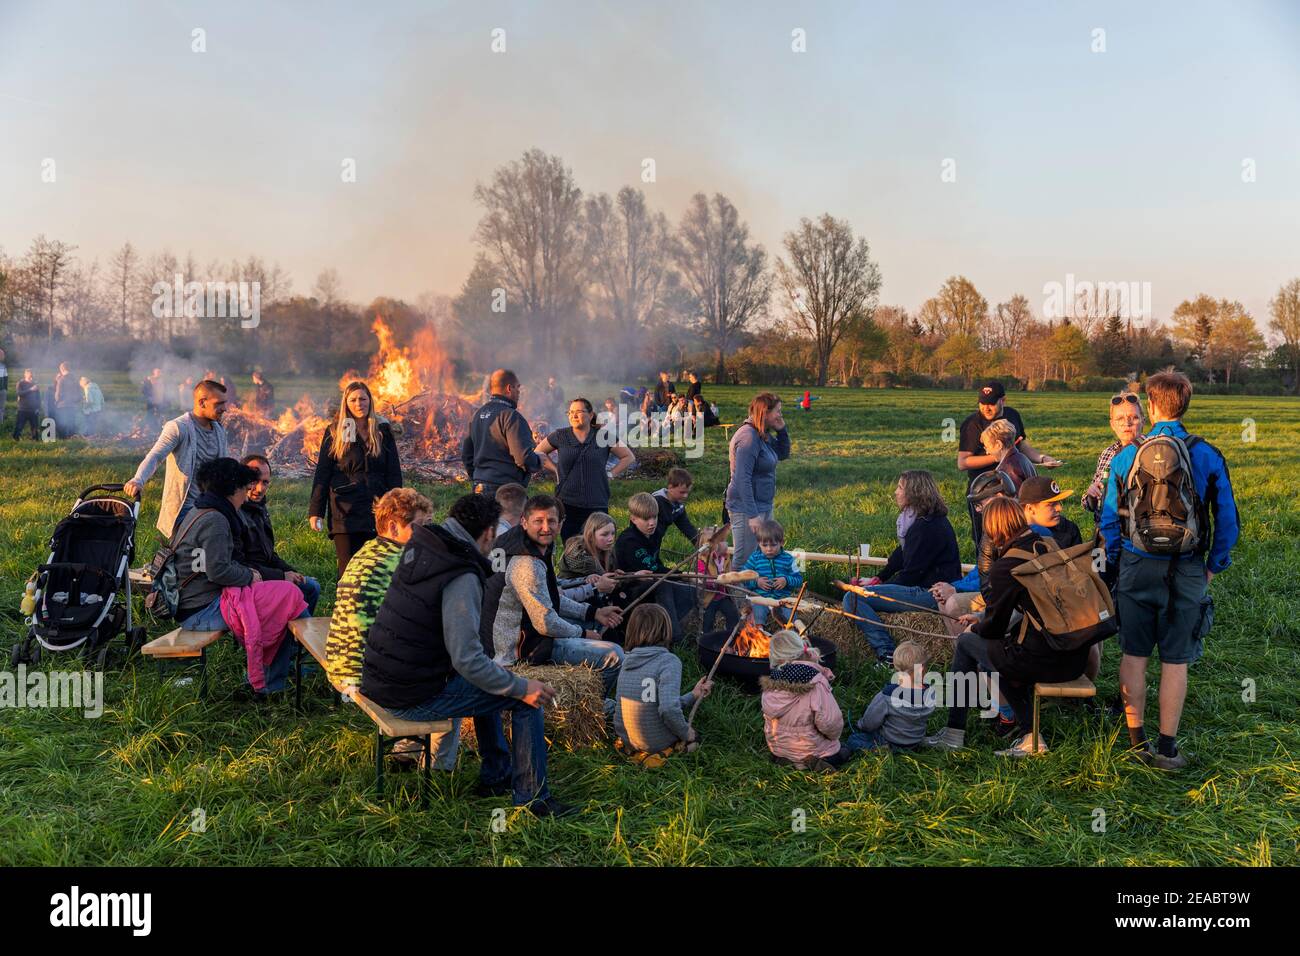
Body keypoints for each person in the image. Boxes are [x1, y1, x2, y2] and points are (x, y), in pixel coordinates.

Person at [360, 493, 576, 817]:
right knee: (524, 698)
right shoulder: (461, 574)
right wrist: (522, 686)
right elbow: (466, 659)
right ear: (488, 533)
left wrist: (498, 677)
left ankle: (497, 775)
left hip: (382, 677)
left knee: (491, 680)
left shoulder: (423, 546)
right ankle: (534, 800)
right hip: (410, 693)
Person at [1101, 371, 1239, 770]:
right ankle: (1167, 750)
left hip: (1136, 565)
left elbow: (1111, 518)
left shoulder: (1128, 455)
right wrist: (1213, 566)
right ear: (1186, 403)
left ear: (1152, 406)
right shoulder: (1208, 454)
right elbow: (1227, 520)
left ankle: (1134, 741)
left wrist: (1118, 559)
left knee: (1134, 654)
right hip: (1187, 568)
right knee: (1175, 661)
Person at [925, 498, 1092, 756]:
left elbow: (995, 629)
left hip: (1046, 661)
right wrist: (982, 619)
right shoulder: (1049, 546)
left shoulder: (1006, 566)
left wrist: (979, 627)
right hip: (1075, 655)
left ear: (993, 529)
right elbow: (1032, 608)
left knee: (969, 644)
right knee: (1001, 656)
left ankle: (953, 733)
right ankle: (1029, 735)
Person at [172, 458, 307, 696]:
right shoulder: (216, 520)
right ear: (231, 489)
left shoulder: (201, 511)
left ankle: (282, 672)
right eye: (244, 489)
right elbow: (218, 571)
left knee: (285, 599)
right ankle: (272, 683)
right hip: (200, 610)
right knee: (287, 601)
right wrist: (249, 575)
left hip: (198, 602)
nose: (246, 496)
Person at [483, 494, 624, 690]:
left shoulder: (527, 544)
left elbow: (548, 596)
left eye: (551, 521)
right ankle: (597, 711)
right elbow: (545, 623)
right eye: (538, 521)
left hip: (522, 633)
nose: (546, 528)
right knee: (614, 655)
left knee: (595, 620)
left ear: (560, 524)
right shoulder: (526, 562)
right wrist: (583, 633)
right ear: (524, 521)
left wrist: (592, 612)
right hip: (514, 650)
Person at [841, 470, 961, 664]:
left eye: (900, 487)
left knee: (853, 598)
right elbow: (902, 553)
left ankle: (886, 652)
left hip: (930, 592)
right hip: (926, 586)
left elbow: (910, 576)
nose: (896, 492)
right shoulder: (919, 521)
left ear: (914, 493)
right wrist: (878, 579)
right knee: (858, 594)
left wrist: (872, 591)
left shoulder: (926, 528)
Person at [325, 487, 432, 692]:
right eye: (418, 526)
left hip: (340, 666)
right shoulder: (403, 564)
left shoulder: (366, 551)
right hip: (365, 675)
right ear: (393, 527)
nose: (424, 534)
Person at [308, 380, 402, 576]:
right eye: (353, 400)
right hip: (345, 510)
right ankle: (345, 605)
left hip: (378, 507)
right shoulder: (338, 431)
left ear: (370, 401)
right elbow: (323, 473)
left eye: (363, 398)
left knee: (377, 568)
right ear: (346, 403)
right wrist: (316, 511)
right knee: (349, 569)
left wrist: (396, 505)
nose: (359, 403)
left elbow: (394, 472)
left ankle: (373, 606)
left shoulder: (382, 430)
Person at [958, 380, 1061, 543]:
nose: (986, 408)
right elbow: (962, 462)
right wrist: (999, 455)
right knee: (986, 538)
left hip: (1009, 500)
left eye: (991, 403)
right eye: (982, 404)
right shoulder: (971, 424)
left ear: (1003, 400)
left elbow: (1022, 445)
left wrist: (1042, 457)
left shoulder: (1012, 416)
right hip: (983, 490)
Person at [609, 604, 713, 766]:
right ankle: (669, 752)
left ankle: (638, 754)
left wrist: (693, 695)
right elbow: (668, 709)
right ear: (666, 630)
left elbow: (631, 707)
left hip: (630, 741)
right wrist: (686, 733)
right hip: (657, 743)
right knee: (695, 739)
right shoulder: (668, 661)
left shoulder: (627, 662)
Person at [125, 379, 230, 537]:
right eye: (219, 404)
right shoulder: (178, 427)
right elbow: (156, 455)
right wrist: (138, 480)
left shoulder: (219, 430)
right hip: (185, 510)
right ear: (202, 402)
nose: (224, 409)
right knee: (191, 556)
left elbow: (223, 468)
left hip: (213, 507)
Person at [760, 630, 866, 771]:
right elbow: (831, 723)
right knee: (846, 748)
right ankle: (814, 763)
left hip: (779, 749)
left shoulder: (770, 684)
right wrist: (834, 738)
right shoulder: (815, 682)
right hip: (813, 750)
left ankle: (788, 760)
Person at [535, 397, 635, 541]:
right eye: (570, 412)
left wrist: (611, 473)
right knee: (571, 545)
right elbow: (538, 452)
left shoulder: (603, 435)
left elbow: (628, 456)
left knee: (597, 544)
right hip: (567, 502)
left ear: (591, 415)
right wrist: (555, 469)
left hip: (596, 501)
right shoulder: (560, 435)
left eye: (579, 411)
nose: (573, 415)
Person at [239, 454, 322, 614]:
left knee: (312, 587)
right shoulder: (236, 513)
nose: (260, 489)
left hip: (267, 574)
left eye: (265, 482)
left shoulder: (260, 509)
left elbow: (269, 554)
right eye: (254, 481)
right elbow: (240, 564)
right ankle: (290, 634)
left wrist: (291, 572)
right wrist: (282, 575)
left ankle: (290, 637)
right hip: (251, 581)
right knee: (299, 608)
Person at [614, 492, 695, 646]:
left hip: (651, 581)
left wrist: (681, 578)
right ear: (633, 519)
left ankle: (664, 627)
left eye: (654, 517)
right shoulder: (629, 541)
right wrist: (682, 574)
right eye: (646, 519)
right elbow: (653, 569)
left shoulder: (654, 534)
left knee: (689, 591)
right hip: (630, 588)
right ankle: (674, 638)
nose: (651, 523)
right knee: (662, 584)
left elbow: (657, 561)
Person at [726, 392, 791, 569]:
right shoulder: (748, 437)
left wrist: (782, 430)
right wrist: (752, 515)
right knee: (744, 559)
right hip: (747, 508)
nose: (780, 414)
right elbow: (741, 478)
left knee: (760, 558)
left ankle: (753, 596)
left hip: (763, 505)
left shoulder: (763, 434)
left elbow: (783, 454)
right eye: (777, 411)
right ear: (765, 412)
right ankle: (735, 596)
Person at [462, 369, 541, 498]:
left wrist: (478, 476)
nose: (519, 392)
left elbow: (467, 455)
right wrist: (538, 461)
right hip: (506, 492)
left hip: (478, 489)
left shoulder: (477, 414)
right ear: (509, 388)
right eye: (517, 387)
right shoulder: (511, 417)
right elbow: (523, 458)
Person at [851, 642, 936, 751]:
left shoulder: (888, 695)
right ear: (923, 669)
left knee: (854, 740)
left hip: (891, 740)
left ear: (896, 668)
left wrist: (860, 725)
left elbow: (870, 723)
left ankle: (879, 749)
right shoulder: (931, 693)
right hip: (915, 742)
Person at [1082, 391, 1146, 519]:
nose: (1127, 423)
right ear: (1112, 424)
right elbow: (1087, 504)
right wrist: (1091, 495)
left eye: (1134, 417)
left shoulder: (1149, 450)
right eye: (1120, 418)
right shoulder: (1108, 453)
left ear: (1143, 422)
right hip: (1106, 525)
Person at [741, 519, 803, 628]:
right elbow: (743, 577)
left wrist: (786, 580)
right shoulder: (755, 558)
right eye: (764, 545)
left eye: (773, 545)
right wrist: (756, 582)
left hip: (782, 599)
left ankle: (791, 635)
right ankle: (760, 634)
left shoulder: (789, 559)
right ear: (759, 543)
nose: (769, 549)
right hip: (761, 599)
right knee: (757, 615)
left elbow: (798, 579)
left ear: (782, 542)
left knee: (791, 617)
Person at [1018, 475, 1082, 550]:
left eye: (1059, 502)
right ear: (1030, 508)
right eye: (1051, 505)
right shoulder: (1014, 537)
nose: (1059, 508)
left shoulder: (1069, 529)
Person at [698, 526, 740, 633]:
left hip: (722, 596)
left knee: (733, 614)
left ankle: (730, 635)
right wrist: (715, 582)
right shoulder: (702, 561)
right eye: (720, 542)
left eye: (723, 541)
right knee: (708, 620)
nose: (724, 544)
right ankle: (707, 639)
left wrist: (732, 579)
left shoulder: (725, 558)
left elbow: (729, 573)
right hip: (709, 598)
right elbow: (702, 580)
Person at [982, 419, 1036, 493]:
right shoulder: (1023, 458)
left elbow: (1013, 500)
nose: (987, 452)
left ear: (998, 444)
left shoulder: (1006, 469)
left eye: (987, 447)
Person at [652, 468, 700, 548]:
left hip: (656, 542)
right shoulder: (655, 502)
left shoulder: (678, 505)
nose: (685, 496)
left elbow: (686, 526)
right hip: (642, 541)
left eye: (687, 492)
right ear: (670, 487)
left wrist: (699, 543)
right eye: (682, 492)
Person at [12, 369, 41, 440]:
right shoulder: (20, 383)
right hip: (23, 409)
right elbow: (19, 393)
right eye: (29, 375)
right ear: (25, 375)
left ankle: (35, 440)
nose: (31, 376)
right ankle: (15, 439)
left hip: (33, 409)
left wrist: (38, 408)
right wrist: (30, 390)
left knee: (34, 427)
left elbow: (38, 398)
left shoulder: (35, 385)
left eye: (32, 375)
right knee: (19, 426)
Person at [51, 361, 78, 437]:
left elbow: (57, 393)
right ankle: (72, 439)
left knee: (62, 423)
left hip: (62, 405)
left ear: (61, 369)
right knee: (71, 423)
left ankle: (64, 441)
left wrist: (56, 401)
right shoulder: (74, 379)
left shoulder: (61, 379)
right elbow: (78, 392)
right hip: (72, 405)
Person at [0, 347, 8, 428]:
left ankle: (1, 424)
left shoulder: (3, 366)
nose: (3, 356)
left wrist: (5, 390)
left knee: (1, 408)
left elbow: (6, 378)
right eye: (2, 354)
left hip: (2, 391)